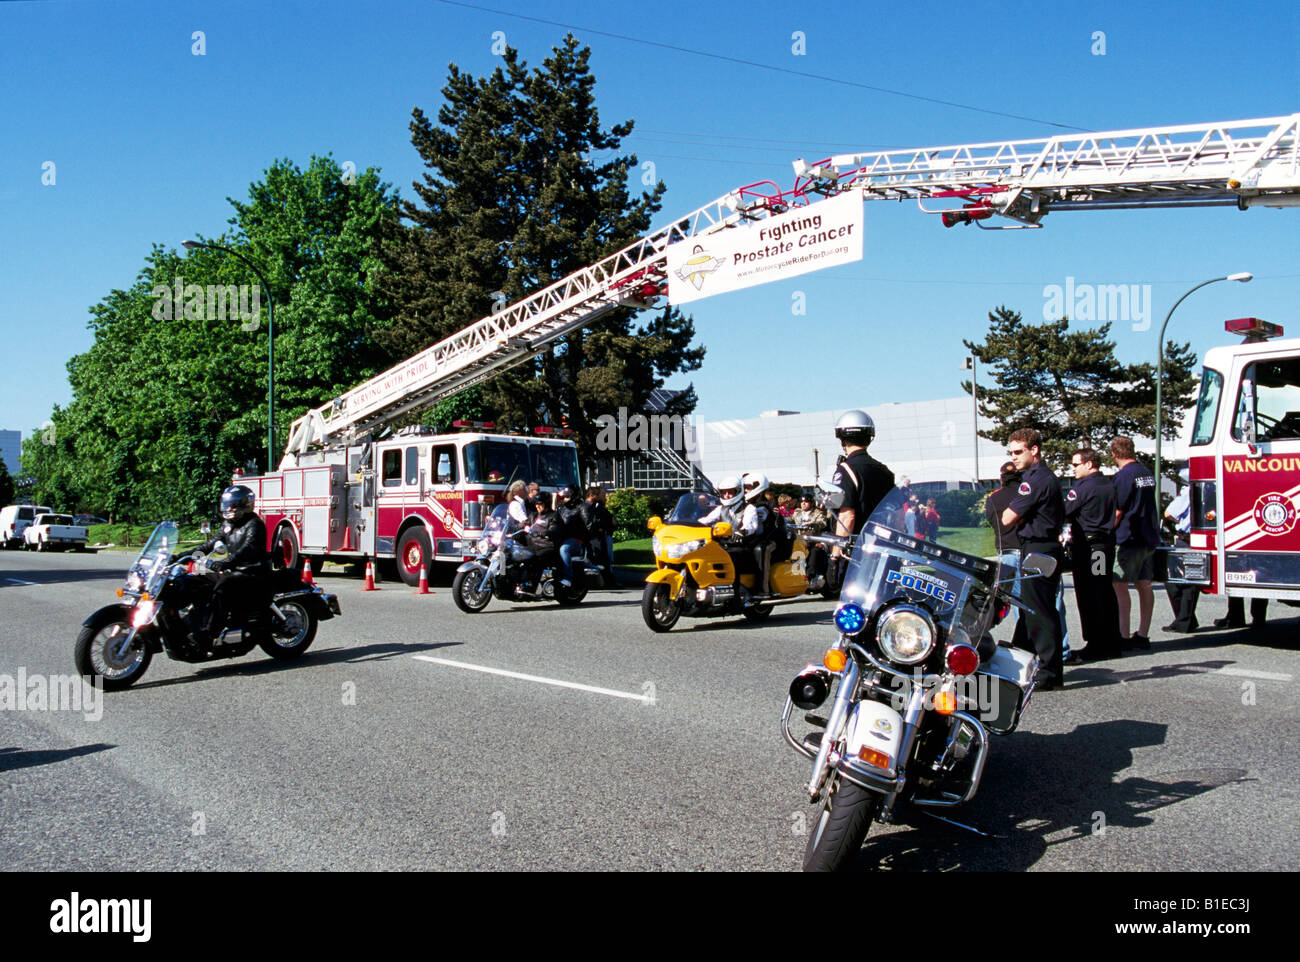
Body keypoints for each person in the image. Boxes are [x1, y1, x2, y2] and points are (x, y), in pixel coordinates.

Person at [999, 428, 1066, 690]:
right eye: (1011, 452)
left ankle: (1049, 671)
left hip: (1039, 548)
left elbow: (1007, 518)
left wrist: (1019, 515)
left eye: (1018, 452)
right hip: (1039, 546)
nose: (1013, 457)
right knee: (1030, 607)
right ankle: (1019, 659)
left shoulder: (1035, 480)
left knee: (1039, 610)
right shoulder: (1040, 477)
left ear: (1033, 450)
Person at [190, 485, 270, 645]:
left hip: (253, 571)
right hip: (234, 568)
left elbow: (249, 548)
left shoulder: (254, 524)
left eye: (232, 505)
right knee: (195, 578)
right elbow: (211, 543)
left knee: (224, 584)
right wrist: (185, 556)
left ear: (245, 504)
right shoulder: (229, 524)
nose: (228, 509)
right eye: (227, 505)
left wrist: (227, 562)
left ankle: (211, 632)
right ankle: (195, 622)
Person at [1064, 448, 1124, 660]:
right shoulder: (1109, 484)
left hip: (1088, 547)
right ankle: (1112, 641)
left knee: (1089, 594)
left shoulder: (1082, 487)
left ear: (1089, 464)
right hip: (1104, 544)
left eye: (1076, 464)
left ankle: (1096, 643)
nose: (1073, 469)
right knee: (1104, 591)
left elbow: (1066, 512)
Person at [1110, 436, 1159, 650]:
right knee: (1144, 584)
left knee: (1119, 584)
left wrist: (1107, 528)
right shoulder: (1146, 473)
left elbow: (1118, 510)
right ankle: (1143, 633)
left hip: (1128, 536)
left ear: (1114, 454)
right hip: (1148, 535)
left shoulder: (1123, 476)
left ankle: (1123, 635)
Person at [829, 410, 895, 552]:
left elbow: (847, 516)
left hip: (855, 549)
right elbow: (898, 515)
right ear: (869, 437)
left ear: (842, 438)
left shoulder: (846, 469)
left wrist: (836, 554)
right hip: (880, 547)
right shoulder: (884, 471)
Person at [1163, 468, 1201, 633]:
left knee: (1178, 581)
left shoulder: (1187, 492)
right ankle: (1187, 619)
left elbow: (1169, 513)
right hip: (1198, 539)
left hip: (1185, 538)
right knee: (1191, 581)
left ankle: (1184, 620)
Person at [739, 472, 776, 597]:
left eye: (748, 487)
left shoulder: (762, 507)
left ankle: (762, 588)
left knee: (761, 549)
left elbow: (756, 527)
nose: (745, 490)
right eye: (744, 487)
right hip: (749, 538)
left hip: (767, 538)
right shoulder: (740, 504)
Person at [554, 484, 589, 589]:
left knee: (564, 549)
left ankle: (567, 578)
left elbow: (588, 524)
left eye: (567, 497)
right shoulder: (561, 508)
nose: (565, 499)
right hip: (562, 537)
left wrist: (586, 540)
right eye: (564, 497)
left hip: (575, 539)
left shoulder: (582, 506)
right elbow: (554, 520)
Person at [582, 485, 615, 585]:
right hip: (594, 537)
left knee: (602, 558)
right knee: (600, 559)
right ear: (591, 495)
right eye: (598, 495)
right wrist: (599, 526)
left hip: (597, 536)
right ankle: (606, 581)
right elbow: (589, 523)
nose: (599, 497)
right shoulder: (588, 507)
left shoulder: (594, 506)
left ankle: (606, 580)